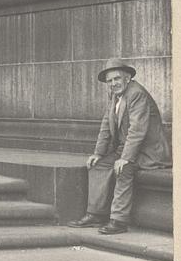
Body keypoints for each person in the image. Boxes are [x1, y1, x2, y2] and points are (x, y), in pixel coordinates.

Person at [68, 58, 171, 235]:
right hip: (127, 149)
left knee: (123, 169)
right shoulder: (116, 95)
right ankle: (96, 214)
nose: (113, 83)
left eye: (117, 79)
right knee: (97, 165)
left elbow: (137, 130)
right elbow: (106, 125)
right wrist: (98, 153)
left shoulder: (136, 94)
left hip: (148, 152)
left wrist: (125, 158)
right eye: (110, 81)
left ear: (127, 78)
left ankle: (118, 220)